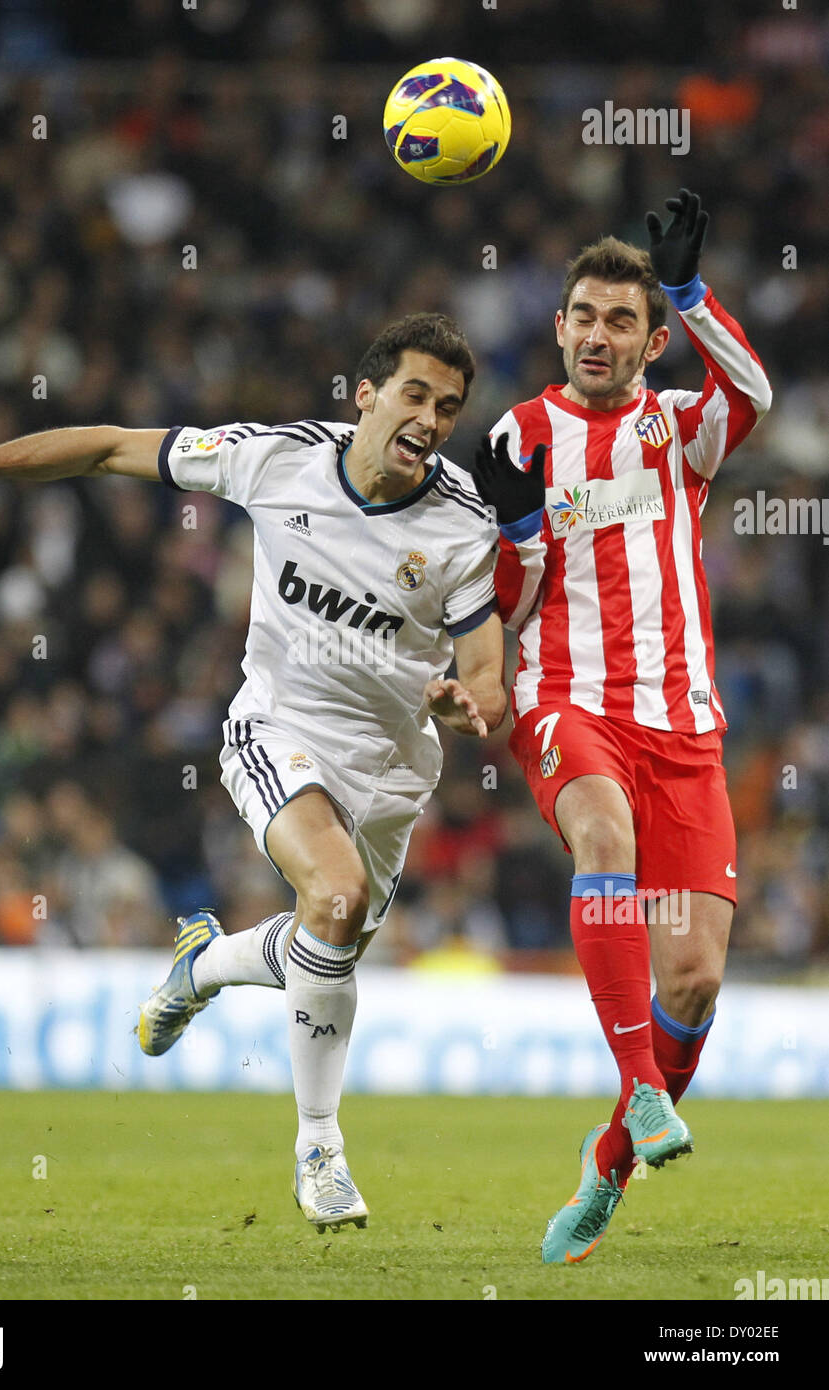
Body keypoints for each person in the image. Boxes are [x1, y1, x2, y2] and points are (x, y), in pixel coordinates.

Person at [0, 312, 530, 1235]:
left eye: (449, 406)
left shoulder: (463, 523)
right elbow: (105, 448)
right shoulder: (278, 456)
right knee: (332, 898)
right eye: (414, 394)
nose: (429, 417)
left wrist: (471, 704)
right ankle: (319, 1150)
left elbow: (488, 678)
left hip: (392, 769)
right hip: (277, 727)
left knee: (326, 939)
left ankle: (205, 965)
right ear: (366, 396)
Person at [473, 191, 772, 1263]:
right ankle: (643, 1090)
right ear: (556, 327)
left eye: (619, 320)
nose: (596, 336)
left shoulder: (677, 428)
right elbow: (502, 602)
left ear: (649, 342)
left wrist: (690, 290)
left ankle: (605, 1166)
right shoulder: (515, 436)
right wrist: (509, 531)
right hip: (567, 703)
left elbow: (754, 389)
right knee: (602, 840)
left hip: (682, 725)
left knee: (692, 975)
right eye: (580, 317)